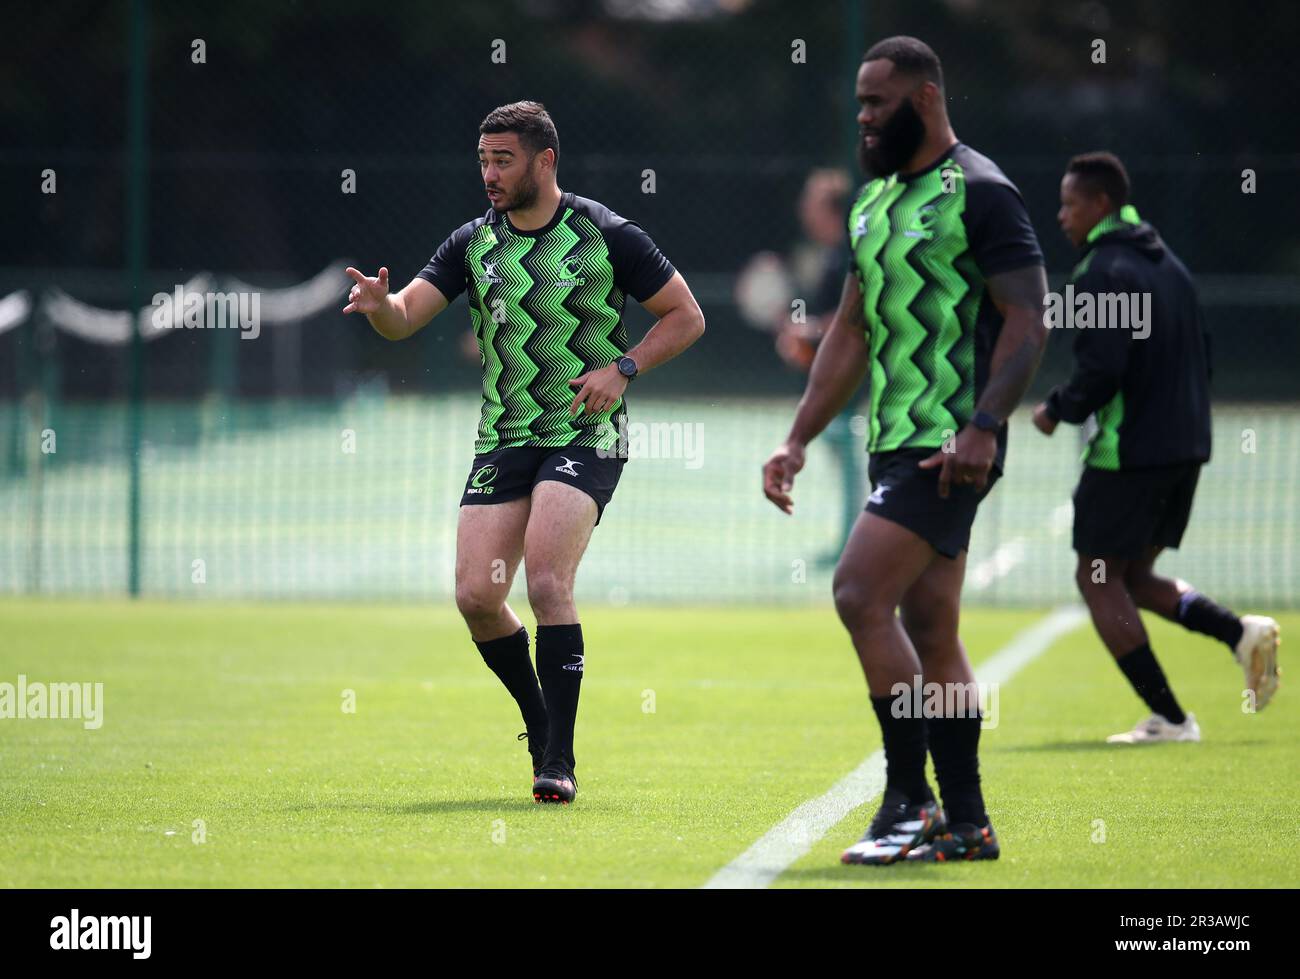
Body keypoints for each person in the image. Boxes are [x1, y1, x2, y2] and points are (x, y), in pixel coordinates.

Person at [344, 101, 705, 803]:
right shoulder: (472, 243)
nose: (489, 173)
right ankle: (541, 726)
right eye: (483, 160)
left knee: (545, 581)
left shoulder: (606, 234)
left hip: (584, 432)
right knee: (477, 595)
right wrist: (382, 306)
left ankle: (558, 762)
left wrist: (622, 369)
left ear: (545, 161)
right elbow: (406, 319)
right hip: (504, 437)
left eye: (502, 159)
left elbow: (685, 315)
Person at [762, 36, 1048, 864]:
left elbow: (1029, 319)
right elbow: (850, 329)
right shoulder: (874, 200)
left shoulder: (983, 192)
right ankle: (967, 821)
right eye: (858, 103)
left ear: (923, 99)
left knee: (856, 591)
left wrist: (985, 425)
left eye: (875, 103)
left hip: (949, 447)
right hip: (896, 443)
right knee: (931, 622)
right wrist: (797, 437)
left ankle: (907, 803)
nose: (862, 118)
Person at [1033, 151, 1280, 744]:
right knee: (1133, 577)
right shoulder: (1170, 264)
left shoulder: (1100, 270)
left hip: (1130, 453)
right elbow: (1205, 353)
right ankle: (1239, 634)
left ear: (1100, 205)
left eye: (1069, 204)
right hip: (1186, 446)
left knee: (1096, 578)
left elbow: (1102, 369)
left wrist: (1055, 408)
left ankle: (1170, 719)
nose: (1061, 215)